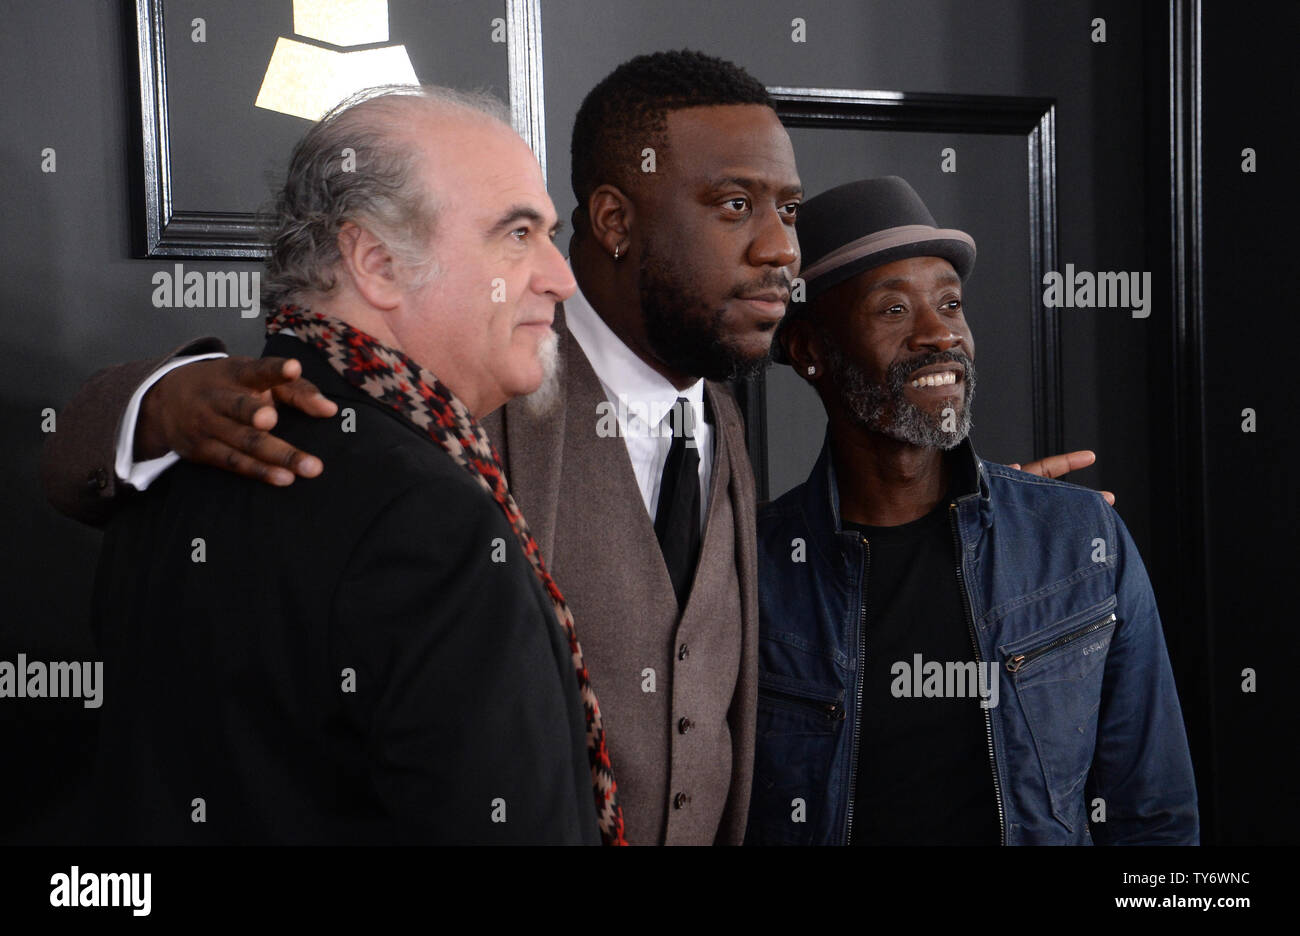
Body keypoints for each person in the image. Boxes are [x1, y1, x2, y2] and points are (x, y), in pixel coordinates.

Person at [43, 52, 1100, 845]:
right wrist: (158, 399)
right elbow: (140, 455)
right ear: (616, 219)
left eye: (786, 209)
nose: (782, 248)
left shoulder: (724, 424)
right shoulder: (465, 396)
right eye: (735, 205)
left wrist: (977, 522)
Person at [83, 85, 621, 845]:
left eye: (549, 234)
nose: (561, 277)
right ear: (376, 262)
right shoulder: (433, 519)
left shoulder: (160, 457)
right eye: (517, 233)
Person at [743, 176, 1198, 845]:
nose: (939, 335)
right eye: (893, 309)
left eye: (950, 304)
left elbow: (1154, 815)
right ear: (810, 351)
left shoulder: (1080, 541)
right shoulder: (750, 573)